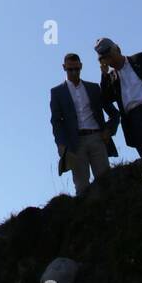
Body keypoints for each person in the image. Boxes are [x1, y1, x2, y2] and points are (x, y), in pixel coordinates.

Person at [50, 52, 121, 194]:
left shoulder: (93, 88)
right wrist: (61, 144)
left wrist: (109, 130)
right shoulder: (57, 92)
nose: (74, 72)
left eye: (77, 69)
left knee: (105, 181)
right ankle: (87, 215)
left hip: (97, 138)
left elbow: (114, 112)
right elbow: (56, 121)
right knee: (82, 186)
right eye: (70, 69)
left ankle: (109, 213)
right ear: (64, 67)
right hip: (75, 143)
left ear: (81, 66)